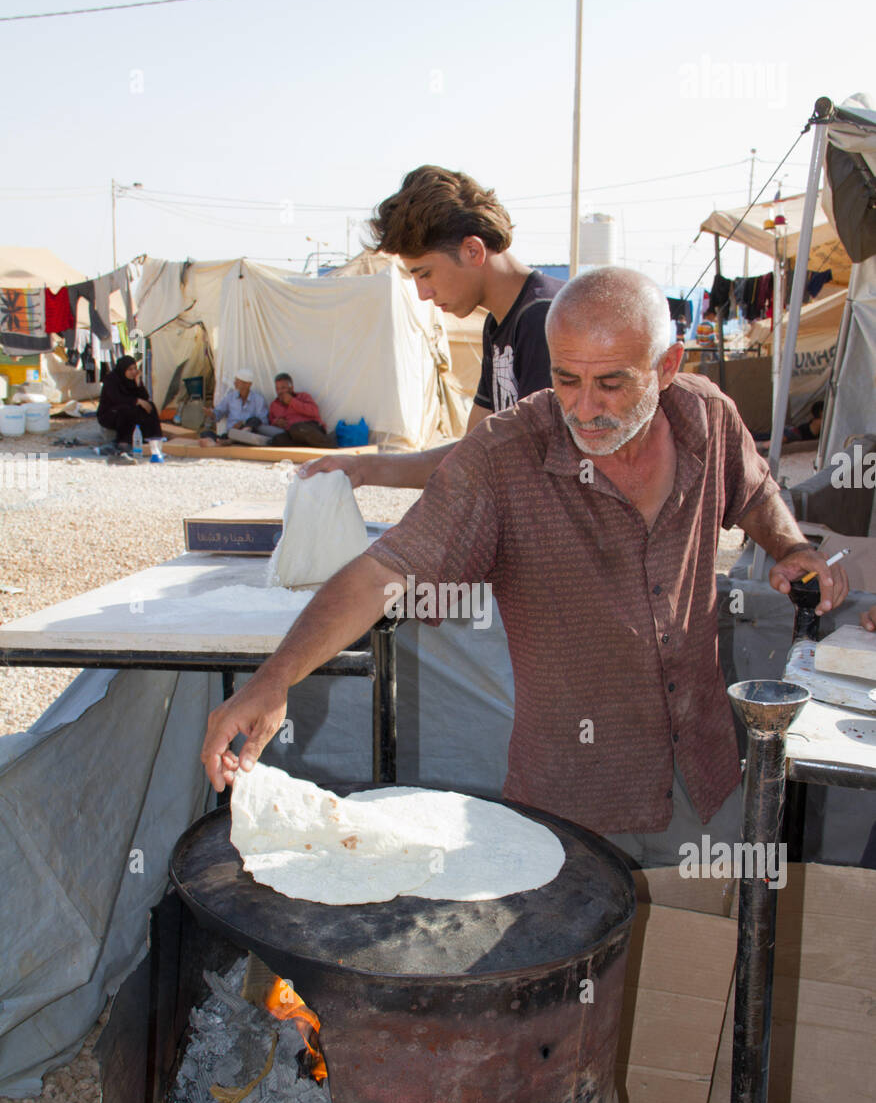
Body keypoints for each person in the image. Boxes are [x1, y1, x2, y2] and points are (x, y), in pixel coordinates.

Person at [201, 268, 849, 867]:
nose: (585, 408)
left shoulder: (706, 417)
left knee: (706, 973)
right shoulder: (506, 454)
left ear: (668, 366)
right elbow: (382, 571)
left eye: (612, 382)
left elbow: (757, 491)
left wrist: (791, 546)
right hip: (572, 801)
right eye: (567, 379)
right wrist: (276, 679)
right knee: (579, 977)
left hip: (706, 777)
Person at [301, 165, 563, 490]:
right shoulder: (499, 324)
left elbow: (543, 476)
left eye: (425, 274)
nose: (423, 293)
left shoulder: (547, 319)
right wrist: (362, 468)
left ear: (473, 251)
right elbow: (473, 456)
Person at [237, 373, 338, 449]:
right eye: (277, 388)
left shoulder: (302, 396)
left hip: (309, 428)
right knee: (277, 440)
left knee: (297, 428)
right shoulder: (274, 404)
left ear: (291, 388)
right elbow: (271, 422)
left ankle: (329, 443)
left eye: (283, 388)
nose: (280, 391)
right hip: (290, 434)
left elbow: (314, 411)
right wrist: (276, 422)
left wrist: (292, 401)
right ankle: (307, 446)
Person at [96, 355, 164, 464]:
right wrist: (137, 401)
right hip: (109, 413)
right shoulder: (111, 379)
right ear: (123, 369)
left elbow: (145, 398)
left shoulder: (132, 379)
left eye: (134, 369)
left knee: (150, 406)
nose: (133, 372)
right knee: (128, 409)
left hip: (127, 408)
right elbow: (116, 398)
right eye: (130, 369)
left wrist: (138, 383)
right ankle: (124, 442)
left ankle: (153, 438)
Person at [203, 368, 269, 445]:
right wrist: (212, 414)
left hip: (248, 434)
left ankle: (228, 441)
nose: (235, 383)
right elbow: (219, 412)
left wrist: (243, 424)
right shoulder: (230, 397)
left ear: (247, 384)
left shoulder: (258, 399)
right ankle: (229, 440)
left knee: (254, 420)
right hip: (231, 433)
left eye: (238, 381)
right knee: (205, 434)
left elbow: (263, 421)